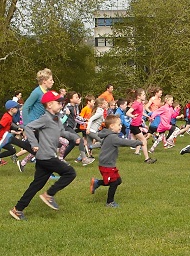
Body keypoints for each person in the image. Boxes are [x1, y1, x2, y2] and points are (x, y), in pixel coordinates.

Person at [9, 91, 80, 220]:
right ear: (49, 105)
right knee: (70, 173)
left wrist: (75, 137)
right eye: (58, 103)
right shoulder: (45, 118)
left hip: (45, 158)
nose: (61, 105)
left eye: (61, 102)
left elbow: (62, 132)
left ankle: (17, 209)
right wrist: (34, 143)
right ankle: (49, 194)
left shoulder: (56, 118)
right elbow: (29, 127)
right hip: (47, 156)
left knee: (36, 185)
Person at [90, 114, 142, 208]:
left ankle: (97, 183)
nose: (121, 126)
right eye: (119, 124)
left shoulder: (109, 135)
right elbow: (124, 142)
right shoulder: (112, 137)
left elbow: (102, 144)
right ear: (112, 126)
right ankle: (109, 202)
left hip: (107, 164)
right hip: (106, 165)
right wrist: (137, 142)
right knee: (114, 182)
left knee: (118, 181)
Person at [126, 89, 155, 163]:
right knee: (143, 140)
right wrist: (133, 116)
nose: (145, 96)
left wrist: (148, 117)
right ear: (138, 96)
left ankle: (138, 153)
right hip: (134, 126)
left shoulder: (140, 103)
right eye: (143, 95)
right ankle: (147, 159)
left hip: (137, 125)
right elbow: (128, 113)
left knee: (139, 140)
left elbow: (141, 112)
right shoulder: (136, 104)